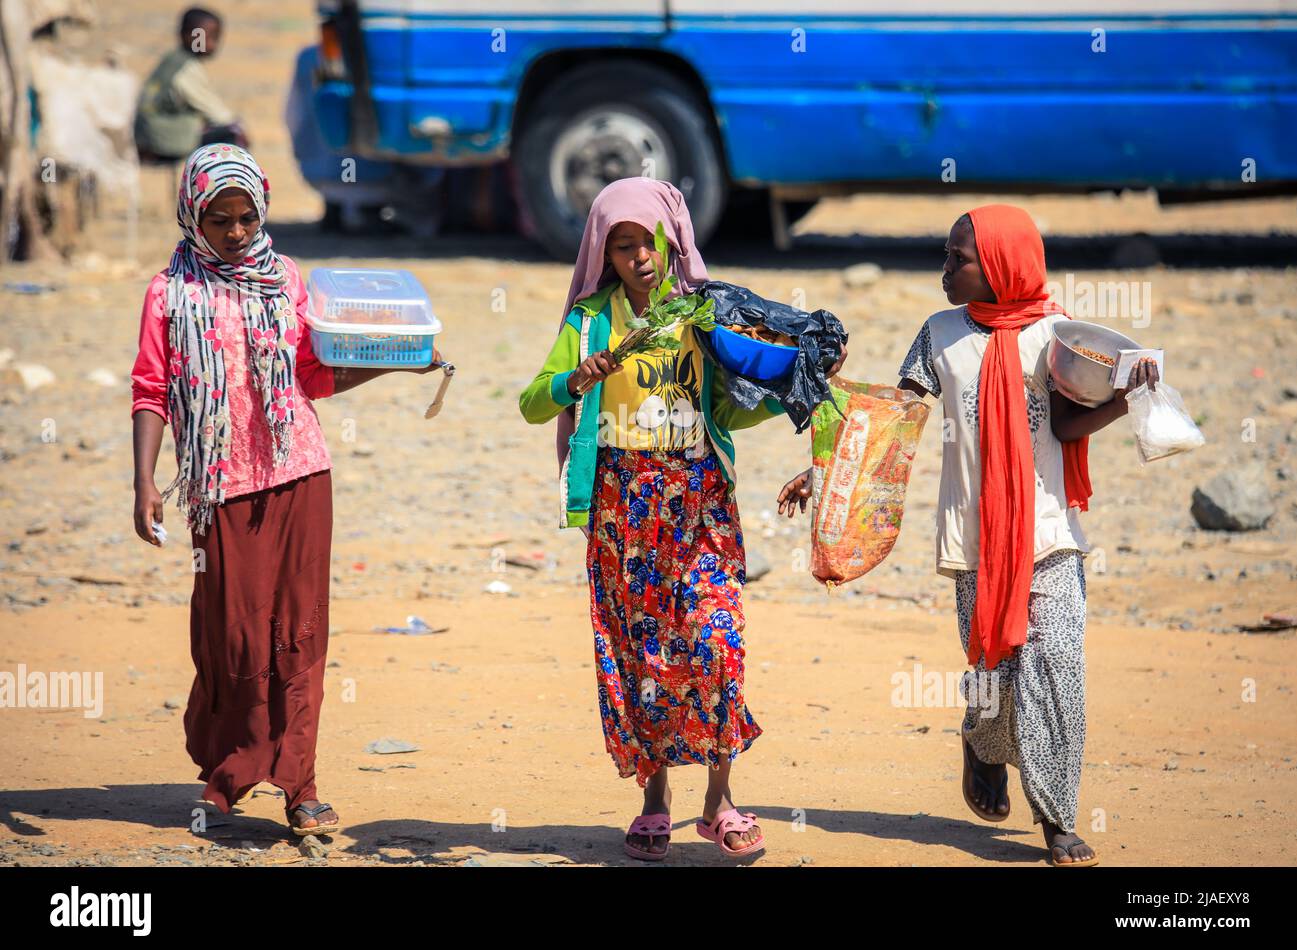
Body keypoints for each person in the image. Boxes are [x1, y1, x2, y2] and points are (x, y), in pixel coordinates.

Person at [778, 205, 1158, 867]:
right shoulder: (938, 334)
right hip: (974, 538)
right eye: (947, 256)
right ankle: (981, 745)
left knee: (1057, 669)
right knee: (995, 676)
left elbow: (1067, 428)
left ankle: (1057, 820)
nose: (945, 270)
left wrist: (1126, 396)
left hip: (1047, 530)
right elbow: (894, 419)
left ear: (1004, 265)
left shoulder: (1058, 334)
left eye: (960, 259)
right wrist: (825, 468)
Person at [519, 178, 845, 861]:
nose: (640, 256)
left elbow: (730, 406)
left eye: (650, 241)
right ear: (602, 253)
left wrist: (803, 376)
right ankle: (654, 800)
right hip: (622, 511)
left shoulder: (703, 316)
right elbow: (532, 404)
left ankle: (719, 801)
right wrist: (576, 379)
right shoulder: (588, 323)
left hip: (700, 504)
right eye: (624, 245)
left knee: (715, 642)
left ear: (675, 240)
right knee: (642, 658)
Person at [130, 143, 444, 835]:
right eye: (220, 220)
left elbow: (317, 374)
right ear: (192, 215)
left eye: (246, 217)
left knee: (299, 633)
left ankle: (299, 783)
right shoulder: (170, 293)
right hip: (220, 486)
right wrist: (143, 481)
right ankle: (230, 769)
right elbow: (151, 390)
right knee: (233, 634)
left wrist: (401, 362)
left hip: (301, 472)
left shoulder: (286, 279)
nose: (237, 232)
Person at [134, 7, 245, 161]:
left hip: (147, 132)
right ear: (186, 35)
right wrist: (238, 126)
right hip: (161, 138)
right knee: (232, 134)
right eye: (208, 36)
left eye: (216, 37)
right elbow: (217, 113)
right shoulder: (186, 68)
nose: (214, 43)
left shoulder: (172, 59)